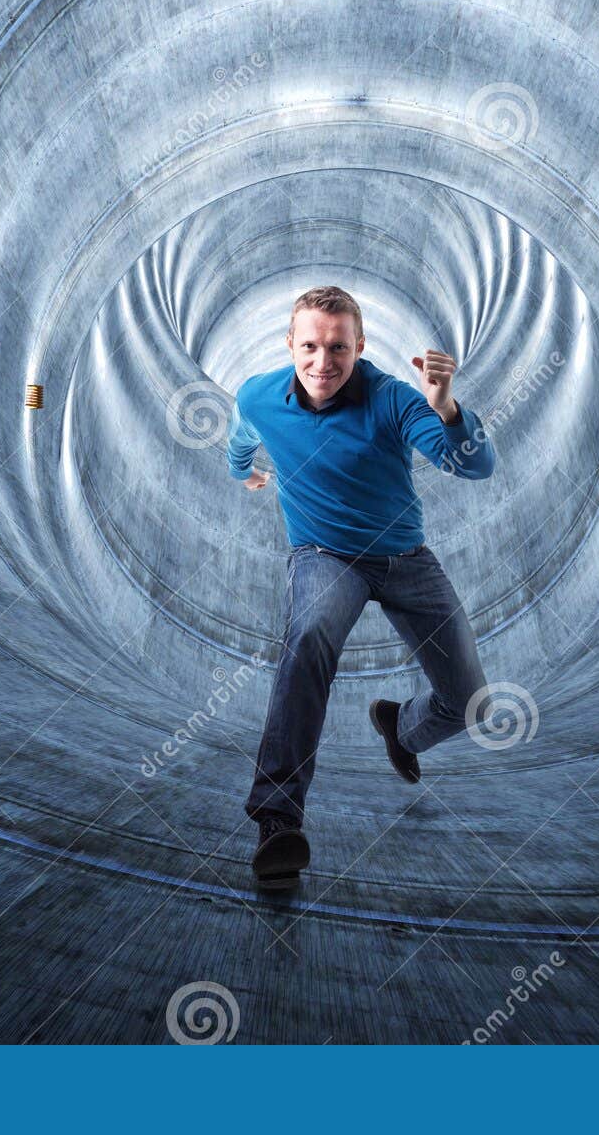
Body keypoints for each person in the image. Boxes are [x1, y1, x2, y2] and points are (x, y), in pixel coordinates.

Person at [224, 285, 497, 890]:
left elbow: (473, 465)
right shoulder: (258, 396)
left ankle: (400, 727)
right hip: (326, 558)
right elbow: (240, 440)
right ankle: (277, 821)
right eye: (312, 347)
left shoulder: (392, 399)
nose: (324, 362)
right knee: (310, 637)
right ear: (289, 346)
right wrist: (245, 473)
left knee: (470, 702)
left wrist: (447, 409)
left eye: (339, 348)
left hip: (405, 560)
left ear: (361, 346)